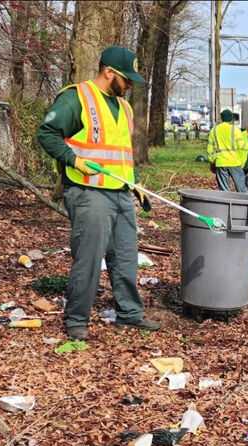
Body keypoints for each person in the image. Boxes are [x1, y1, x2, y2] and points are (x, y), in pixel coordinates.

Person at [36, 46, 160, 340]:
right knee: (89, 258)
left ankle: (129, 314)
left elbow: (122, 156)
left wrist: (136, 184)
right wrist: (76, 161)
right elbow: (46, 133)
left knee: (127, 256)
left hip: (120, 192)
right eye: (126, 79)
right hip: (88, 193)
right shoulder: (76, 97)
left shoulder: (125, 108)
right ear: (108, 72)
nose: (130, 85)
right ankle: (77, 320)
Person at [207, 109, 248, 192]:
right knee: (242, 188)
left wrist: (212, 162)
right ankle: (245, 204)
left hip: (221, 163)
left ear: (222, 118)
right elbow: (242, 145)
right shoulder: (235, 130)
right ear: (231, 120)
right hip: (234, 162)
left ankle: (227, 204)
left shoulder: (214, 130)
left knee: (224, 190)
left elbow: (210, 150)